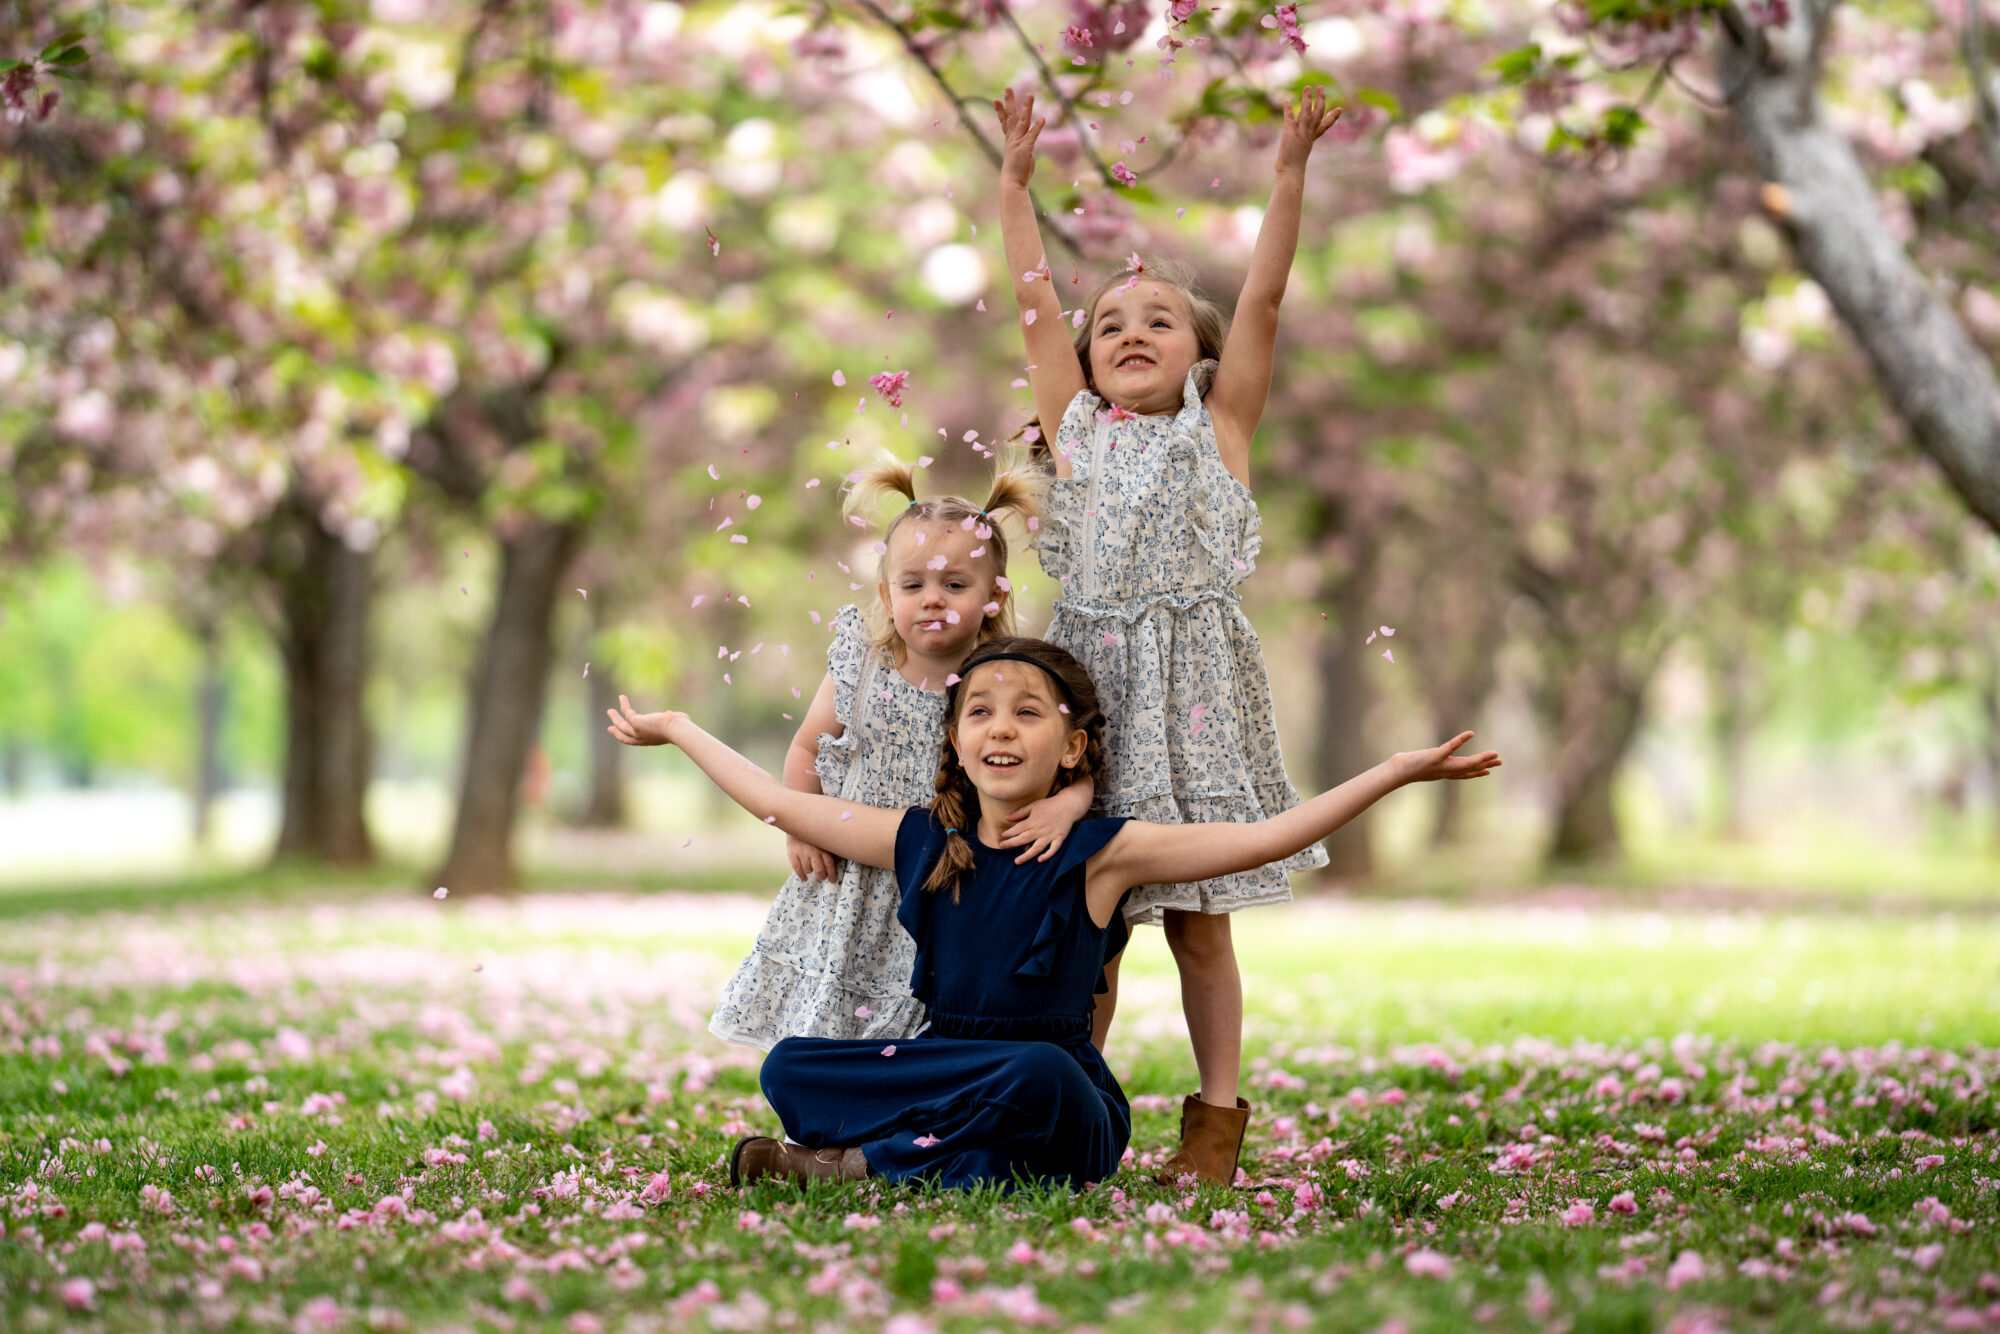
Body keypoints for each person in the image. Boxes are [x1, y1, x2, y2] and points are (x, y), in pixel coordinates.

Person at [607, 637, 1499, 1191]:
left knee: (1033, 1074)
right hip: (944, 1064)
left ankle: (861, 1165)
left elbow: (1262, 838)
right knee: (794, 1069)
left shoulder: (1105, 850)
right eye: (980, 712)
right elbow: (779, 802)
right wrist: (682, 728)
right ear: (954, 740)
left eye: (1026, 713)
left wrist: (1393, 773)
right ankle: (919, 1165)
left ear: (1071, 746)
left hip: (1060, 1089)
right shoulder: (919, 839)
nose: (999, 728)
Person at [993, 85, 1349, 1181]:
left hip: (1193, 700)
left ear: (1193, 354)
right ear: (1089, 363)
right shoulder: (1074, 433)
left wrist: (1286, 173)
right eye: (1110, 325)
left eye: (1157, 320)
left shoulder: (1219, 423)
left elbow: (1267, 300)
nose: (1129, 333)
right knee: (1084, 919)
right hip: (1091, 701)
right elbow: (1031, 304)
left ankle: (1214, 1124)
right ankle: (1071, 1113)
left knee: (1198, 923)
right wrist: (1013, 189)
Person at [707, 457, 1095, 1051]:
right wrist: (802, 827)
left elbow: (1074, 767)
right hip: (852, 874)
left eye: (954, 585)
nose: (932, 600)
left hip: (946, 876)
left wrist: (1068, 808)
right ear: (888, 594)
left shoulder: (1001, 679)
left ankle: (907, 1117)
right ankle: (822, 1115)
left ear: (994, 595)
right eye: (914, 585)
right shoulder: (861, 664)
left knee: (927, 1011)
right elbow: (806, 746)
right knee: (834, 1009)